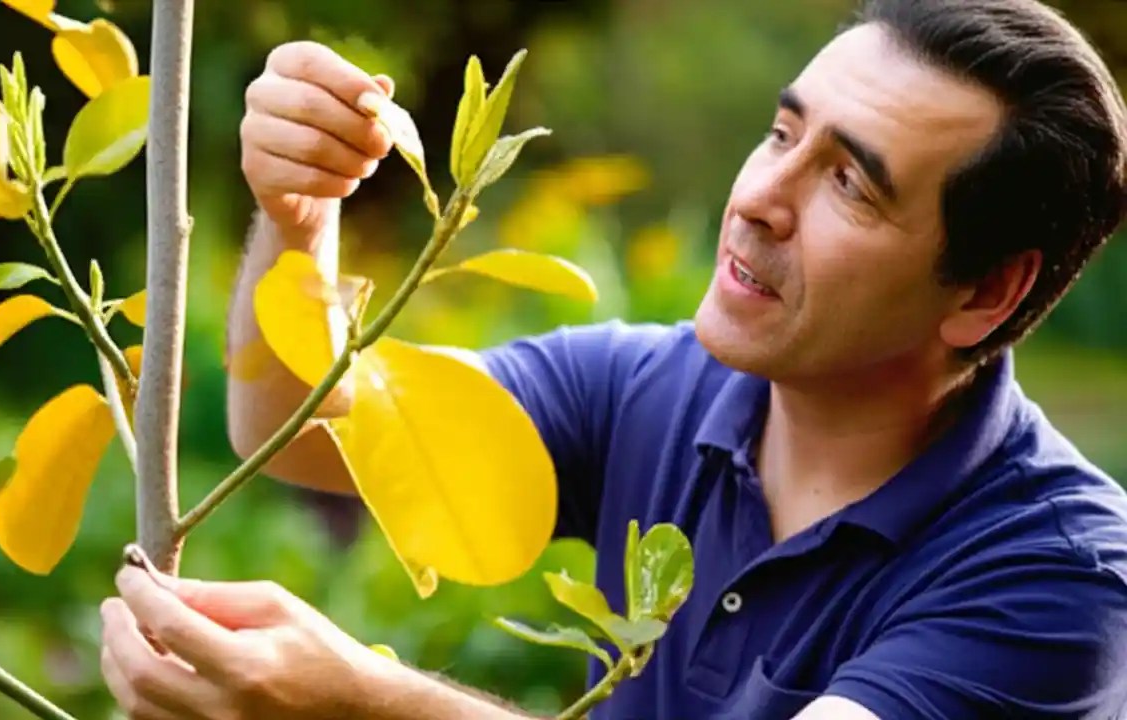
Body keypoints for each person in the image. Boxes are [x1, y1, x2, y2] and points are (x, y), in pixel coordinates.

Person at [99, 0, 1127, 717]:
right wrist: (298, 215)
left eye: (850, 186)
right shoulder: (643, 390)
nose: (759, 200)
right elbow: (303, 434)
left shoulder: (1057, 577)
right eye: (779, 134)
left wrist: (363, 704)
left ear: (986, 290)